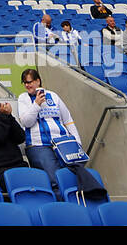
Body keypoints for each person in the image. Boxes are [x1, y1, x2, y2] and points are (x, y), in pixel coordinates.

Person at [16, 68, 93, 198]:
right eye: (24, 82)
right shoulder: (23, 98)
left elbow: (68, 120)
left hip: (62, 143)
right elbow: (26, 122)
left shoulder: (53, 96)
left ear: (38, 81)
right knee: (55, 178)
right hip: (38, 146)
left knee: (74, 175)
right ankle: (64, 207)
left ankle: (79, 203)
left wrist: (77, 142)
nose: (27, 85)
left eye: (30, 82)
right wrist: (36, 105)